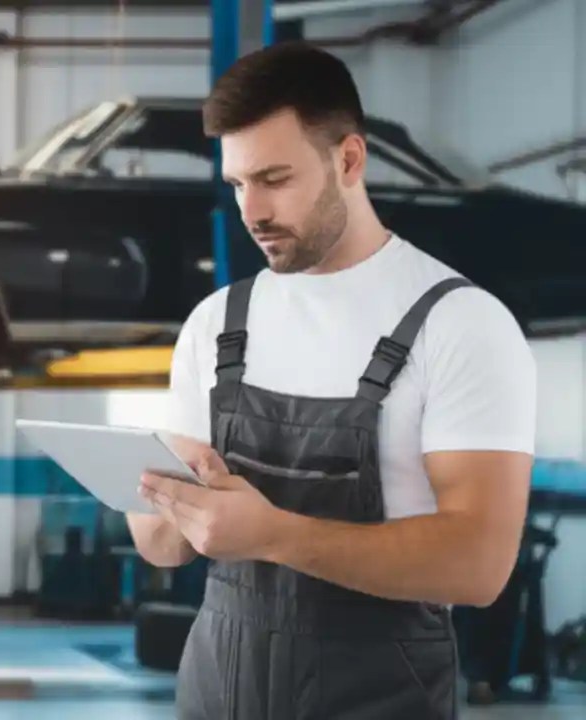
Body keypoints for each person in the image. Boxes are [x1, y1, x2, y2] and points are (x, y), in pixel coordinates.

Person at [125, 41, 537, 719]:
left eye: (275, 178)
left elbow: (478, 564)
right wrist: (160, 499)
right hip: (215, 693)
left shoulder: (460, 324)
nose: (251, 210)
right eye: (236, 184)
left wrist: (269, 532)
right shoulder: (215, 323)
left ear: (348, 159)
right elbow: (163, 547)